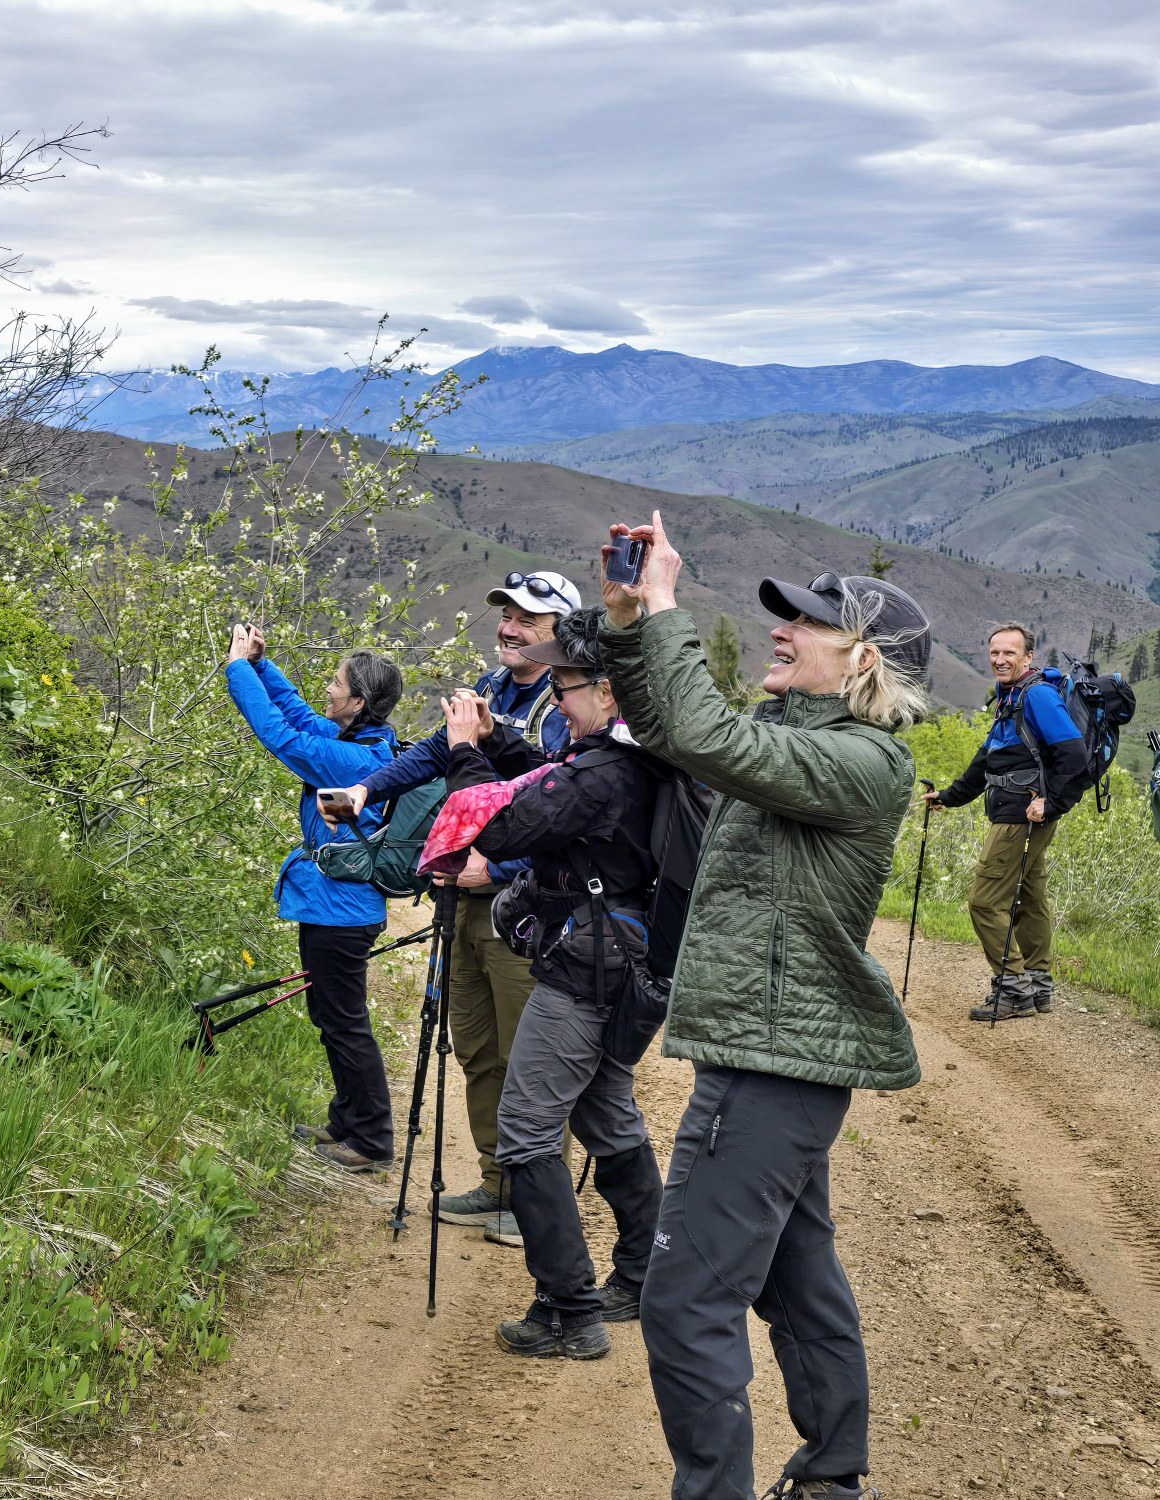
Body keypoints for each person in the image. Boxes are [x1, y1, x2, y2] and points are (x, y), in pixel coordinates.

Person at [600, 513, 931, 1500]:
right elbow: (668, 732)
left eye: (805, 624)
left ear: (862, 660)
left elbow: (703, 733)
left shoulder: (859, 764)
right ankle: (830, 1474)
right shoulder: (797, 741)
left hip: (769, 1067)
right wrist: (627, 621)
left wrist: (666, 604)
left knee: (684, 1304)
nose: (780, 631)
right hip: (775, 1062)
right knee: (797, 1278)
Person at [434, 604, 668, 1361]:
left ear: (608, 691)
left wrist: (465, 750)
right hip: (628, 962)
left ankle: (568, 1309)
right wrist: (500, 745)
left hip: (585, 970)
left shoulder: (603, 772)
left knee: (529, 1131)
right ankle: (639, 1276)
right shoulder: (642, 759)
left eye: (565, 685)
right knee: (608, 1118)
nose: (557, 699)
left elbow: (499, 828)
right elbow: (543, 791)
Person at [329, 569, 581, 1243]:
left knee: (531, 1058)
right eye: (505, 614)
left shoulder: (565, 710)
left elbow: (570, 817)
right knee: (475, 1044)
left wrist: (495, 866)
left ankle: (536, 1205)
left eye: (528, 619)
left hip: (529, 909)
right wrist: (366, 791)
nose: (510, 628)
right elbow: (434, 755)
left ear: (560, 631)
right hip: (467, 901)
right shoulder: (492, 690)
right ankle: (500, 1180)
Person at [224, 623, 404, 1172]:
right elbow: (301, 717)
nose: (328, 688)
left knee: (344, 1021)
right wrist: (262, 664)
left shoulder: (359, 762)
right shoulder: (358, 742)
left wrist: (236, 670)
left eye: (336, 683)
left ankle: (371, 1140)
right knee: (332, 1016)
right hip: (335, 906)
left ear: (359, 701)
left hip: (341, 913)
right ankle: (347, 1123)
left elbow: (283, 738)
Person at [922, 623, 1086, 1020]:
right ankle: (1038, 984)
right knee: (1029, 896)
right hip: (1017, 810)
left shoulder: (1038, 695)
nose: (1000, 659)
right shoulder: (1010, 695)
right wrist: (950, 796)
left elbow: (1075, 755)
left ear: (1028, 657)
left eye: (1009, 653)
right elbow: (989, 759)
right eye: (995, 652)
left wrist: (1052, 804)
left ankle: (1013, 989)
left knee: (984, 902)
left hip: (1022, 814)